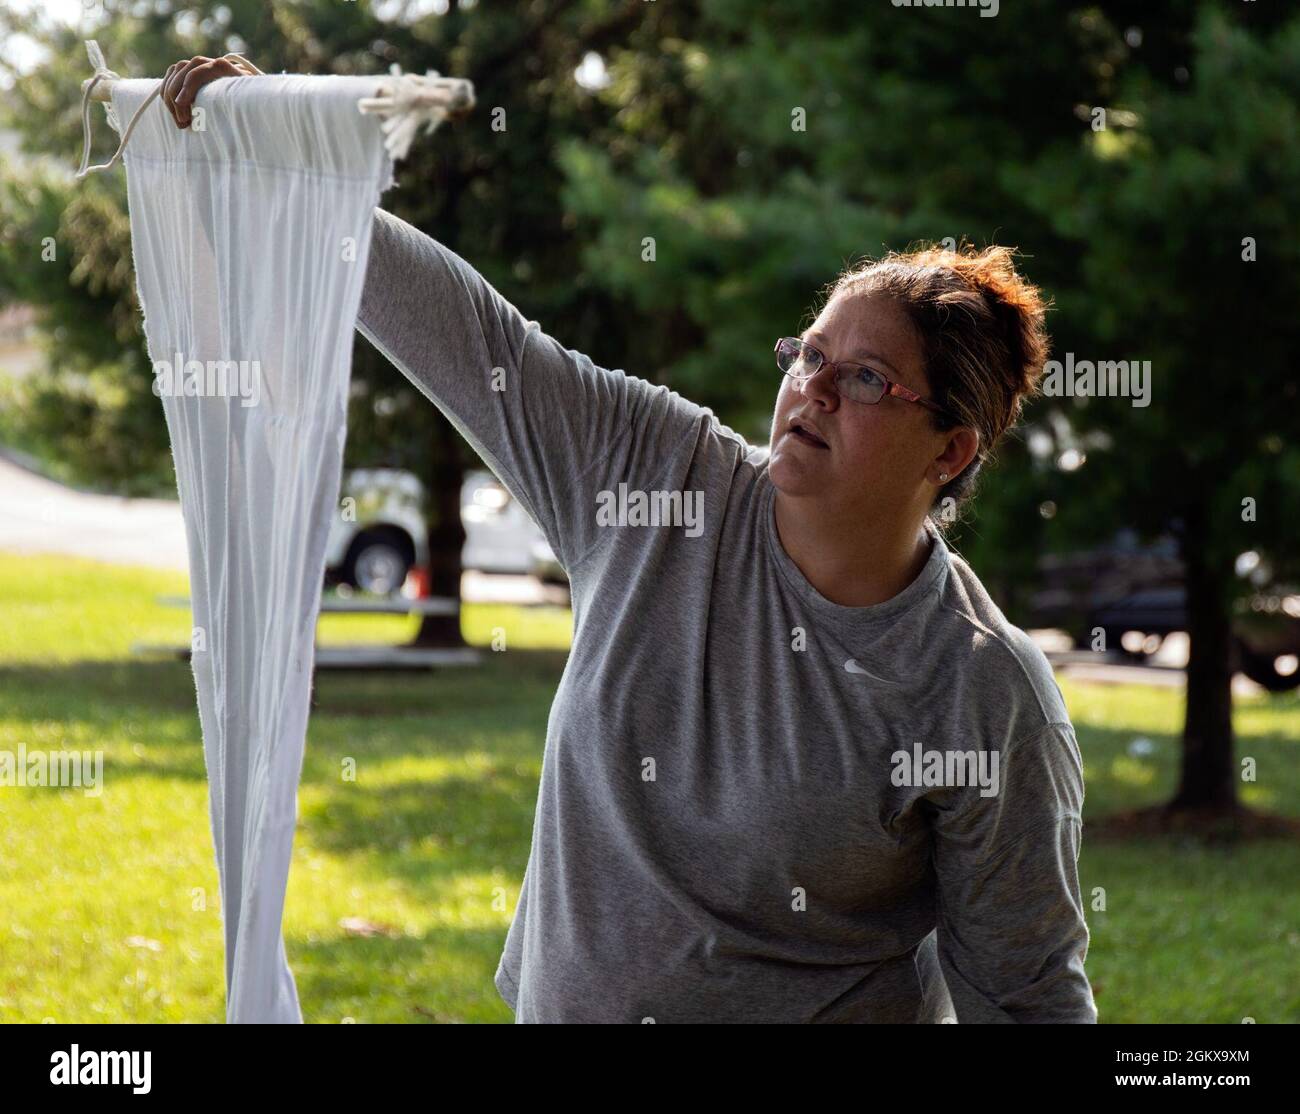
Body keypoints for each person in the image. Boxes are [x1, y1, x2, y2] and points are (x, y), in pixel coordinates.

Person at [161, 56, 1098, 1023]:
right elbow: (484, 347)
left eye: (865, 380)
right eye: (810, 354)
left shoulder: (981, 695)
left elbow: (1024, 999)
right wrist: (292, 164)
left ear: (949, 450)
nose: (810, 390)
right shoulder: (657, 478)